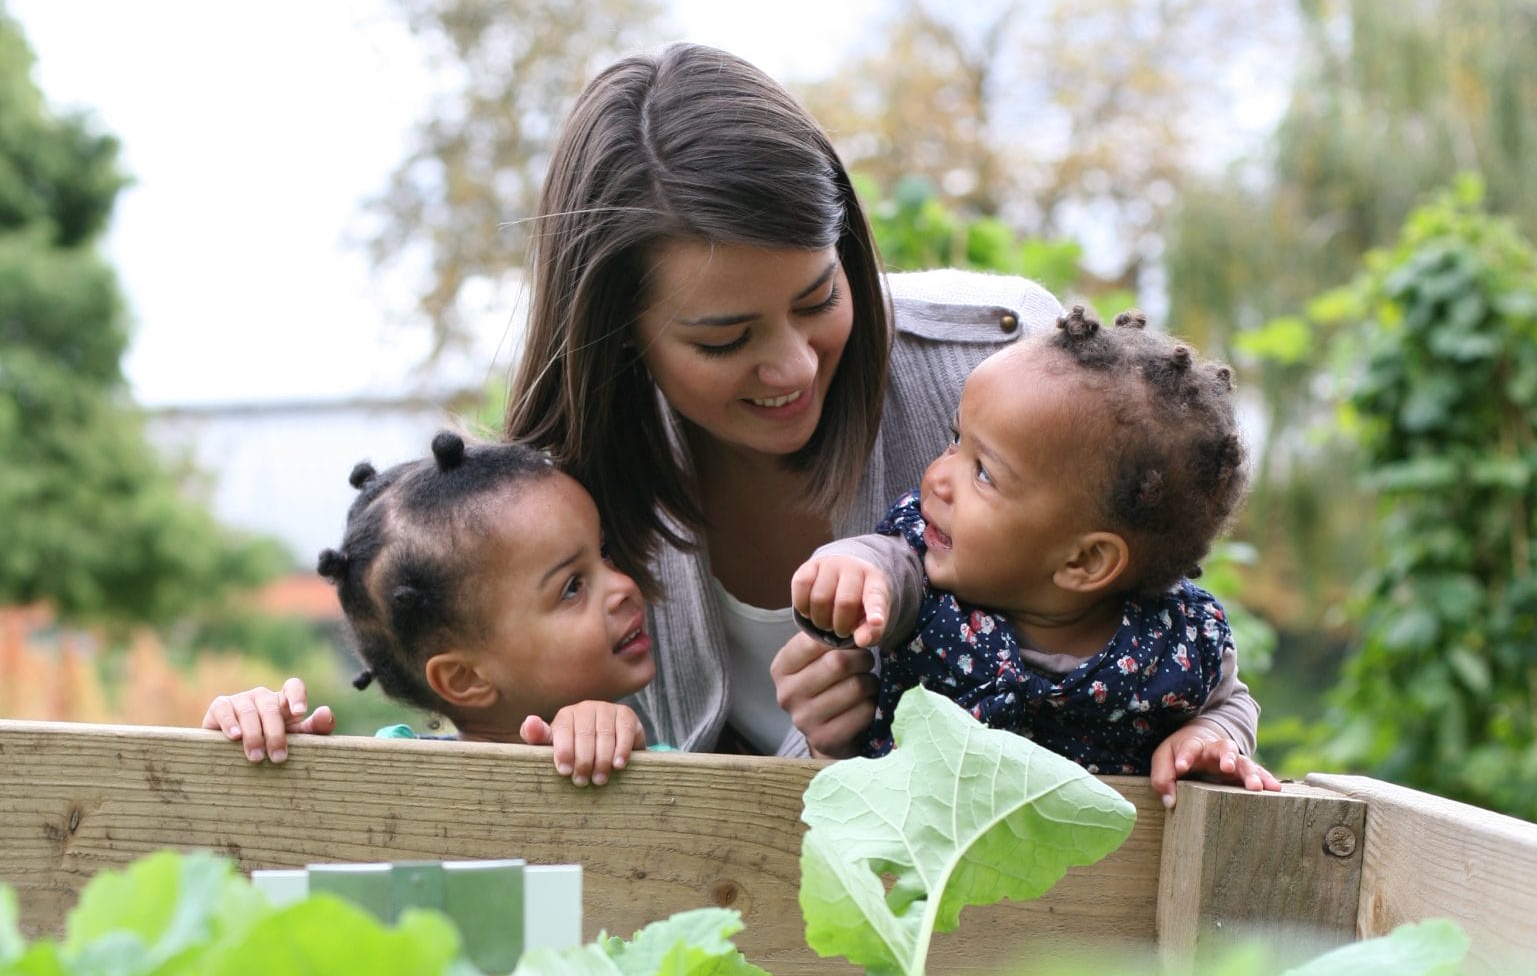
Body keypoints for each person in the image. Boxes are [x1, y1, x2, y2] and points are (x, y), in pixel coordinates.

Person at [209, 45, 1256, 775]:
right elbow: (486, 737)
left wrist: (1217, 740)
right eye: (723, 339)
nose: (793, 364)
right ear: (623, 337)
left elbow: (1161, 631)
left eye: (819, 298)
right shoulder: (558, 506)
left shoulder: (1005, 373)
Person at [787, 307, 1280, 804]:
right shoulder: (925, 586)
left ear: (1084, 562)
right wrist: (850, 571)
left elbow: (1231, 702)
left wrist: (1209, 737)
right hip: (920, 863)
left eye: (983, 473)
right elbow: (885, 566)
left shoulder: (1176, 644)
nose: (937, 477)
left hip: (1100, 879)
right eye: (956, 440)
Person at [204, 432, 654, 786]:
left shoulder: (637, 755)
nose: (624, 586)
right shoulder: (386, 778)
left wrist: (620, 749)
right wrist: (252, 740)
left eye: (606, 553)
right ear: (465, 678)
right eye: (573, 587)